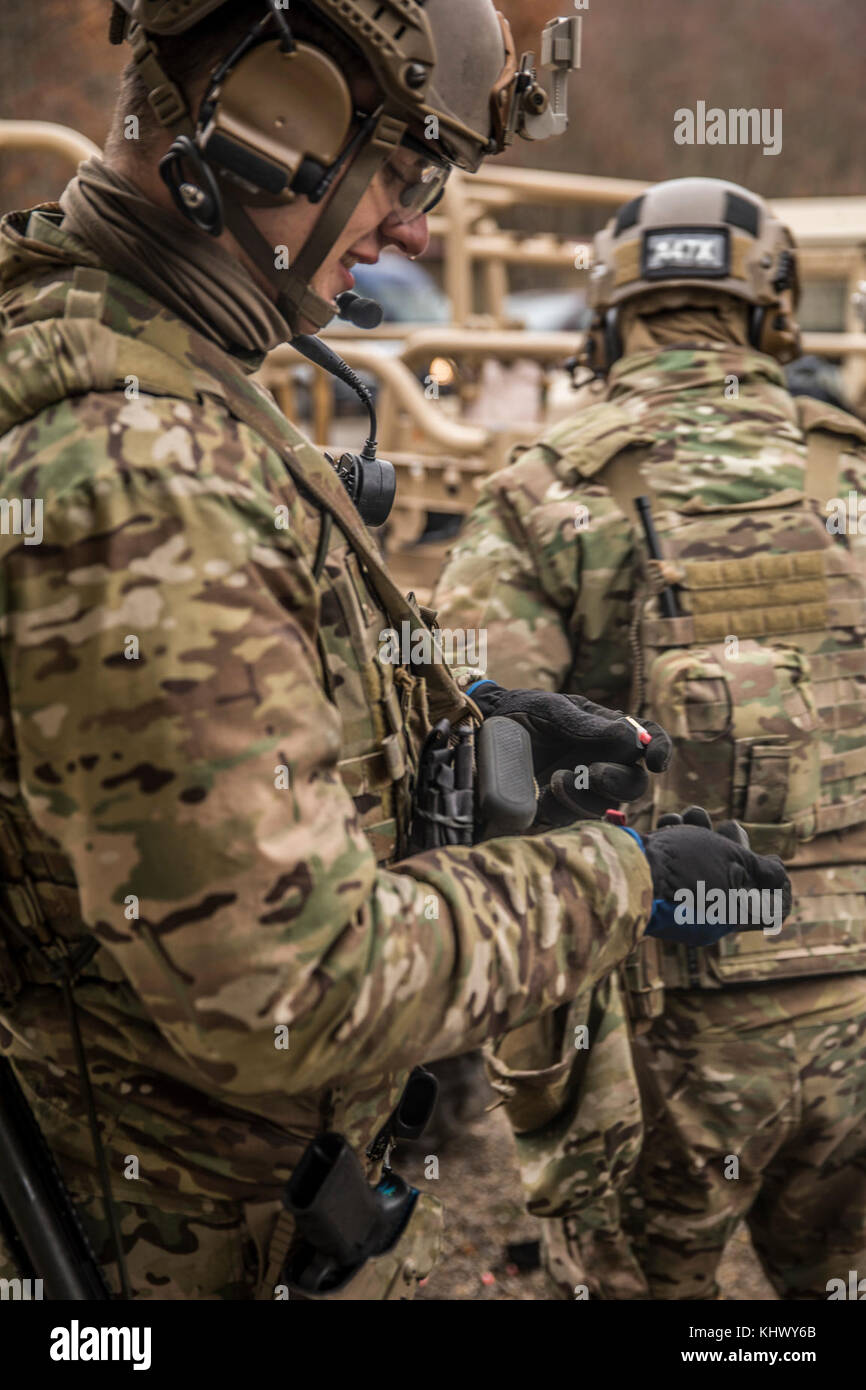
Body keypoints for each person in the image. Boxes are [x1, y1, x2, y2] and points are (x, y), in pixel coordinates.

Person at [0, 3, 788, 1300]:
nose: (418, 227)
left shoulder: (144, 362)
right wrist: (629, 878)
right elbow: (298, 986)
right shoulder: (141, 470)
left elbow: (230, 695)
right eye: (411, 173)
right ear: (278, 123)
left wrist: (472, 713)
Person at [433, 176, 866, 1301]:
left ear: (610, 315)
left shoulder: (547, 490)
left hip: (657, 1015)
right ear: (771, 311)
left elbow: (475, 754)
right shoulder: (852, 469)